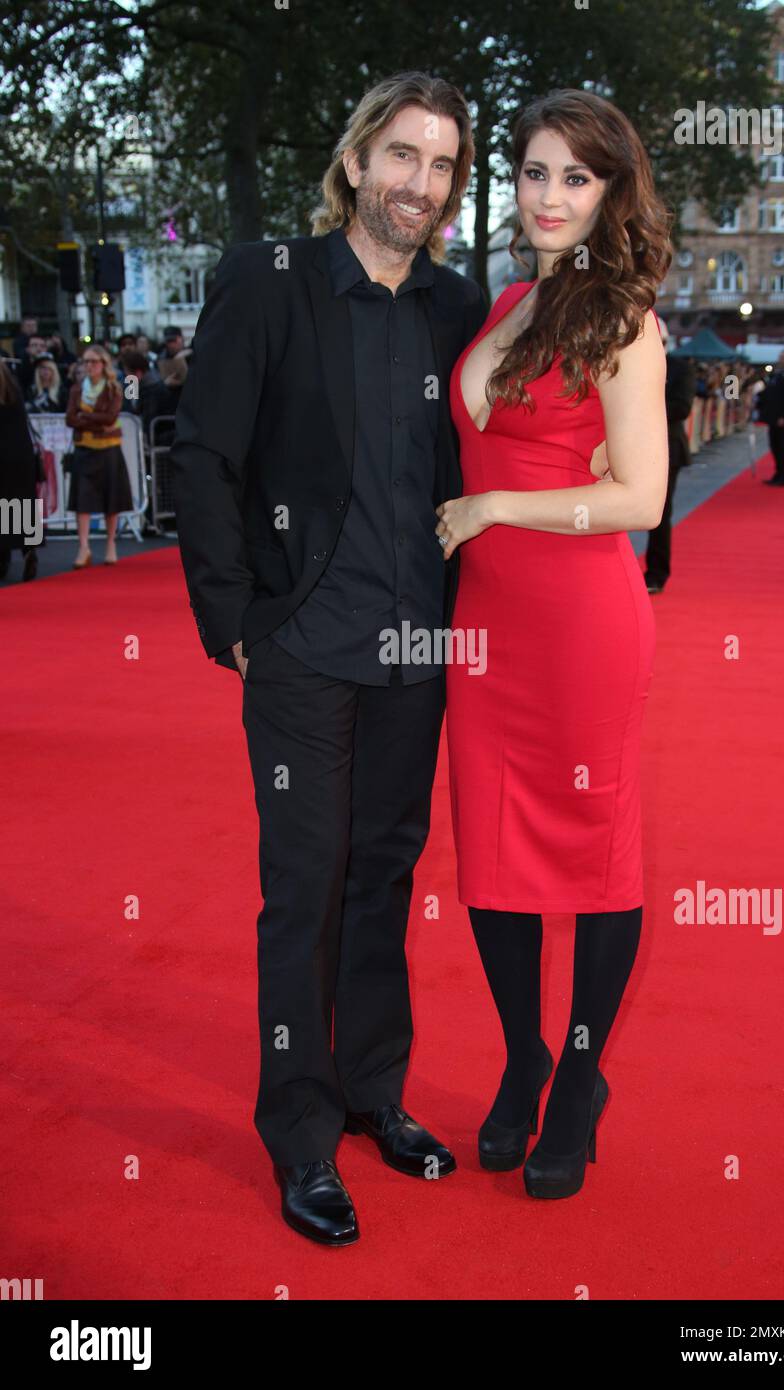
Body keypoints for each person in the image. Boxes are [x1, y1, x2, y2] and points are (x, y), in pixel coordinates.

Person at [170, 71, 487, 1247]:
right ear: (357, 162)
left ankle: (373, 1093)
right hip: (301, 646)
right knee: (302, 892)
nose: (420, 182)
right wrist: (234, 621)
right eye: (401, 155)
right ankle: (301, 1136)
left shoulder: (458, 306)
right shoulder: (270, 282)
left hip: (415, 647)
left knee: (383, 879)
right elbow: (202, 457)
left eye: (442, 163)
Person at [437, 88, 668, 1200]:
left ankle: (576, 1076)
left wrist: (497, 512)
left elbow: (642, 497)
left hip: (579, 625)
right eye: (532, 171)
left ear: (610, 191)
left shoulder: (624, 320)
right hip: (483, 630)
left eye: (574, 176)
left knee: (591, 844)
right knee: (487, 851)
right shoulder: (509, 302)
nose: (548, 195)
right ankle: (523, 1052)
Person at [64, 343, 133, 567]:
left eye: (93, 361)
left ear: (104, 364)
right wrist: (94, 421)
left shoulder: (114, 388)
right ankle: (83, 547)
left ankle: (110, 544)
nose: (89, 366)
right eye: (86, 361)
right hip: (84, 449)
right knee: (82, 500)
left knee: (111, 499)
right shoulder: (76, 389)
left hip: (109, 449)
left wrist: (84, 417)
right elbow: (70, 419)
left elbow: (110, 418)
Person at [644, 323, 696, 594]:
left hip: (667, 448)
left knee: (660, 513)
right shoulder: (630, 365)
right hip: (623, 447)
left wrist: (638, 411)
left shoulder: (680, 369)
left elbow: (682, 407)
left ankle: (656, 573)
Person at [0, 359, 41, 582]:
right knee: (20, 505)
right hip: (21, 456)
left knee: (2, 506)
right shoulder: (13, 388)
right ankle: (28, 550)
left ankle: (3, 557)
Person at [758, 349, 784, 486]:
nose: (782, 359)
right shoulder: (777, 375)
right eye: (781, 357)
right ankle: (778, 472)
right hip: (773, 417)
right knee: (774, 445)